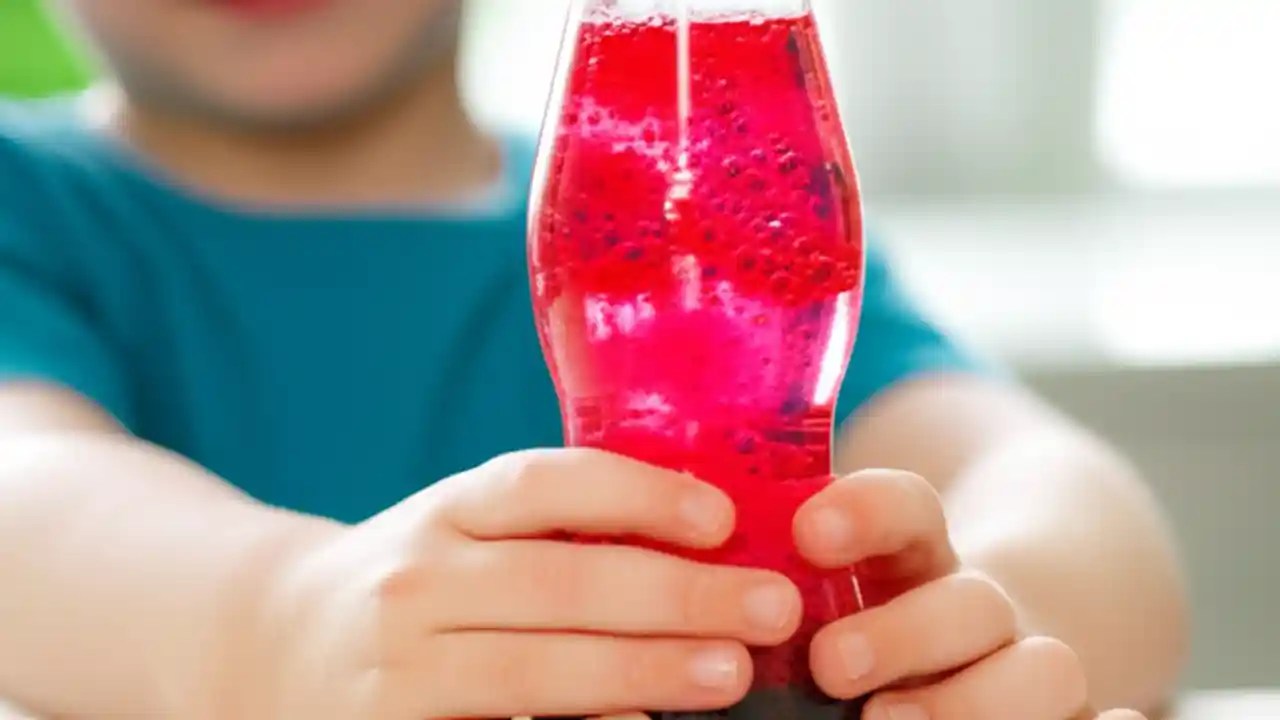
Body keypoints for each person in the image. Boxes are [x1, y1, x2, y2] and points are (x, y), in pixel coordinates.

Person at [0, 1, 1186, 718]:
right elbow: (26, 500)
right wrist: (270, 628)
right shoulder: (29, 207)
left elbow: (1066, 500)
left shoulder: (695, 198)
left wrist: (975, 641)